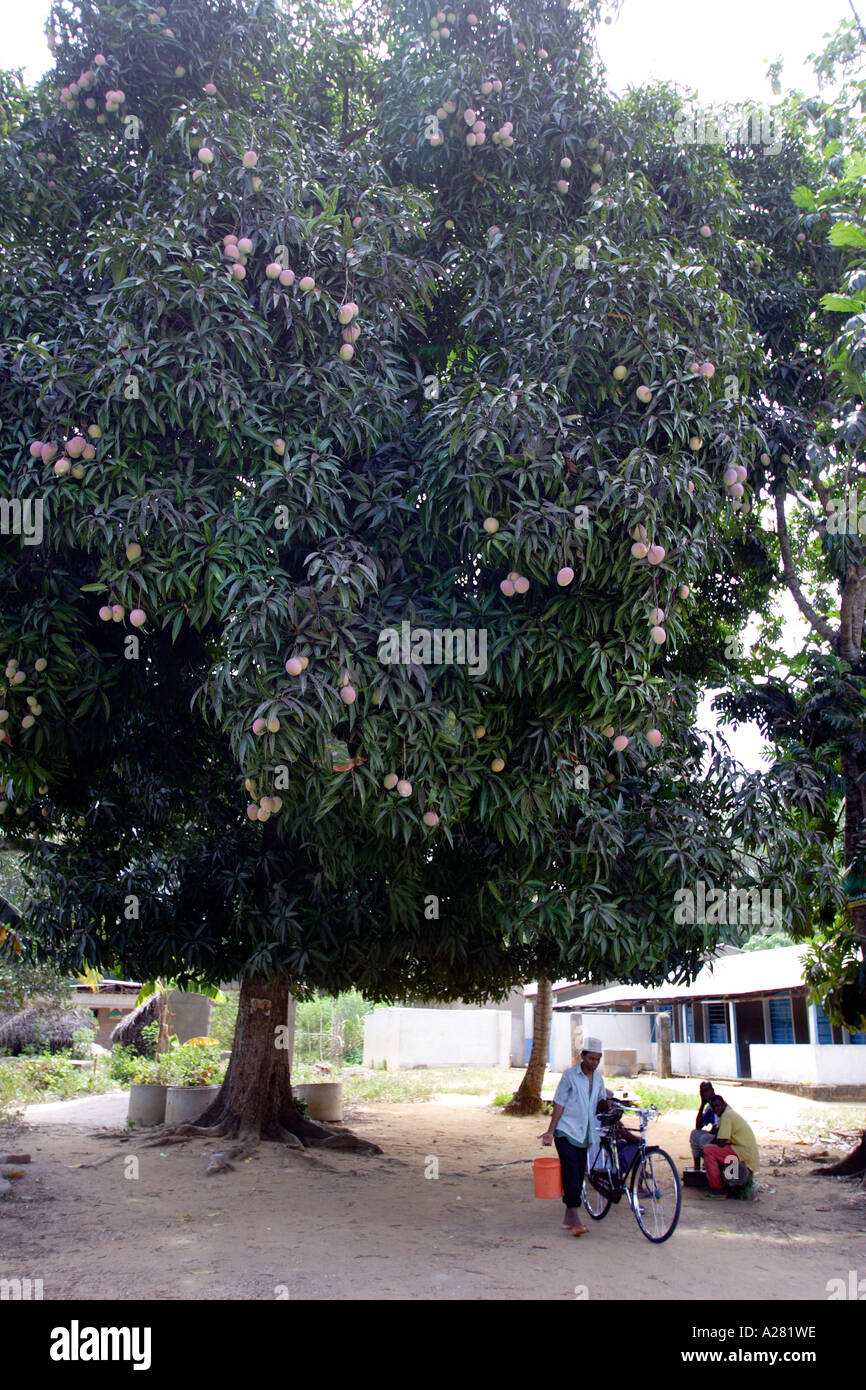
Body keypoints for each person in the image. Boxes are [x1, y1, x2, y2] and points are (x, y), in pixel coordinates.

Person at [540, 1037, 609, 1236]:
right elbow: (559, 1103)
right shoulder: (570, 1076)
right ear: (582, 1056)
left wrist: (607, 1104)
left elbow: (600, 1101)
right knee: (571, 1171)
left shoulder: (598, 1080)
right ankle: (576, 1219)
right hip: (566, 1131)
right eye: (591, 1059)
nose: (594, 1063)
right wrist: (551, 1131)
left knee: (578, 1174)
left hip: (585, 1134)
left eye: (597, 1060)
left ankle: (568, 1217)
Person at [700, 1094, 760, 1199]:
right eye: (713, 1107)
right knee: (710, 1149)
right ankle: (721, 1183)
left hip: (743, 1152)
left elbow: (721, 1142)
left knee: (707, 1150)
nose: (716, 1109)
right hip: (746, 1152)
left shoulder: (726, 1116)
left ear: (723, 1104)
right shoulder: (729, 1113)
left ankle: (717, 1189)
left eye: (718, 1106)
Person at [689, 1080, 718, 1171]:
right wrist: (702, 1105)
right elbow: (698, 1126)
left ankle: (708, 1167)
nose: (706, 1094)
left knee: (704, 1139)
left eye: (707, 1090)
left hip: (724, 1137)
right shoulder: (709, 1107)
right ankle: (697, 1169)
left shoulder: (717, 1104)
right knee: (694, 1134)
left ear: (712, 1090)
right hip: (716, 1135)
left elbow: (719, 1129)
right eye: (703, 1092)